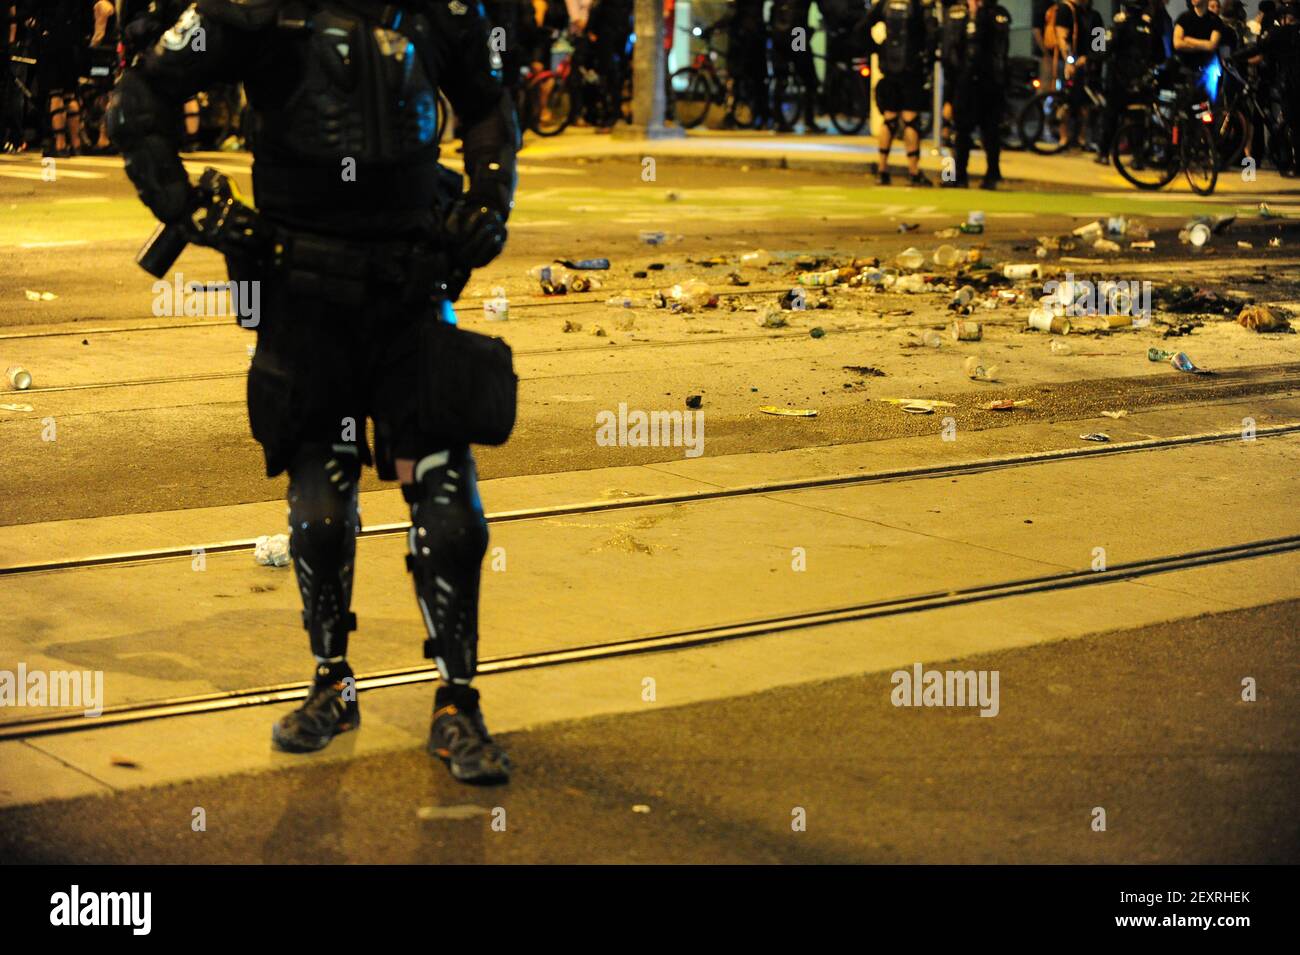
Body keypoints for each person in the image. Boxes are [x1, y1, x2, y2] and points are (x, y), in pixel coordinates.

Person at [109, 0, 520, 785]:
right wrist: (188, 206)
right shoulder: (259, 8)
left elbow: (491, 104)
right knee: (321, 515)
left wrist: (487, 202)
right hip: (304, 293)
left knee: (449, 511)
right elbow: (140, 97)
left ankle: (457, 702)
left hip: (410, 284)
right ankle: (332, 680)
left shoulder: (441, 9)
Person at [860, 0, 938, 185]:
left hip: (889, 68)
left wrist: (878, 49)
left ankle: (882, 170)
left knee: (889, 119)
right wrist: (926, 56)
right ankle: (913, 171)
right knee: (910, 121)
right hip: (911, 70)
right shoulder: (919, 6)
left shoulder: (885, 5)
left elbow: (862, 27)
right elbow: (932, 35)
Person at [942, 0, 1010, 189]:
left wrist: (977, 17)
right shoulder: (957, 13)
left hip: (989, 83)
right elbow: (951, 52)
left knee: (990, 132)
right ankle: (958, 175)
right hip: (964, 82)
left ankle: (992, 175)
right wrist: (949, 95)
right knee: (961, 132)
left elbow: (996, 49)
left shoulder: (996, 14)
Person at [1096, 0, 1159, 163]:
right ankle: (1138, 157)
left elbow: (1102, 50)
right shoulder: (1149, 28)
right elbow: (1161, 54)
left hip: (1119, 80)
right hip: (1141, 82)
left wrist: (1104, 32)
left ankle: (1103, 153)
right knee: (1138, 120)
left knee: (1111, 117)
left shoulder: (1120, 26)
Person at [771, 0, 822, 131]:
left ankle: (779, 121)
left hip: (779, 34)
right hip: (797, 33)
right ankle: (809, 121)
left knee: (781, 79)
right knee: (809, 78)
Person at [1173, 0, 1224, 101]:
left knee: (1208, 107)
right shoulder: (1184, 18)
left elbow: (1212, 45)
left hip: (1206, 72)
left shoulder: (1215, 20)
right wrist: (1204, 45)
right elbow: (1177, 44)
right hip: (1186, 71)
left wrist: (1187, 39)